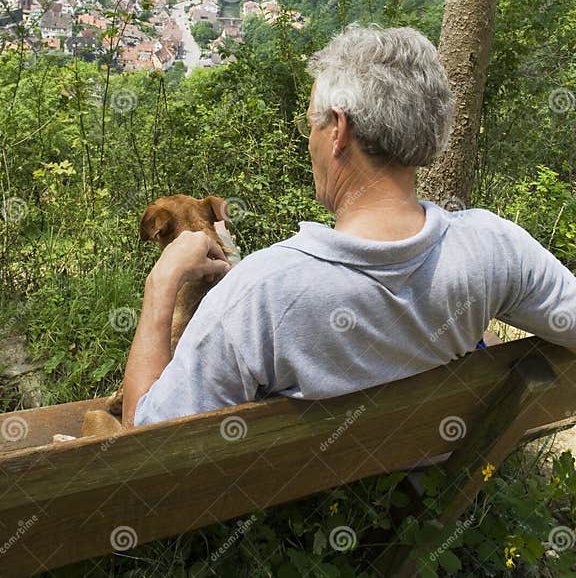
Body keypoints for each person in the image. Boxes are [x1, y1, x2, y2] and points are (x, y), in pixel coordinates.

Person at [123, 24, 576, 428]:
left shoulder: (260, 292)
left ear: (338, 130)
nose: (309, 143)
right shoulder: (495, 248)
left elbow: (146, 442)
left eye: (310, 127)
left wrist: (162, 279)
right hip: (425, 488)